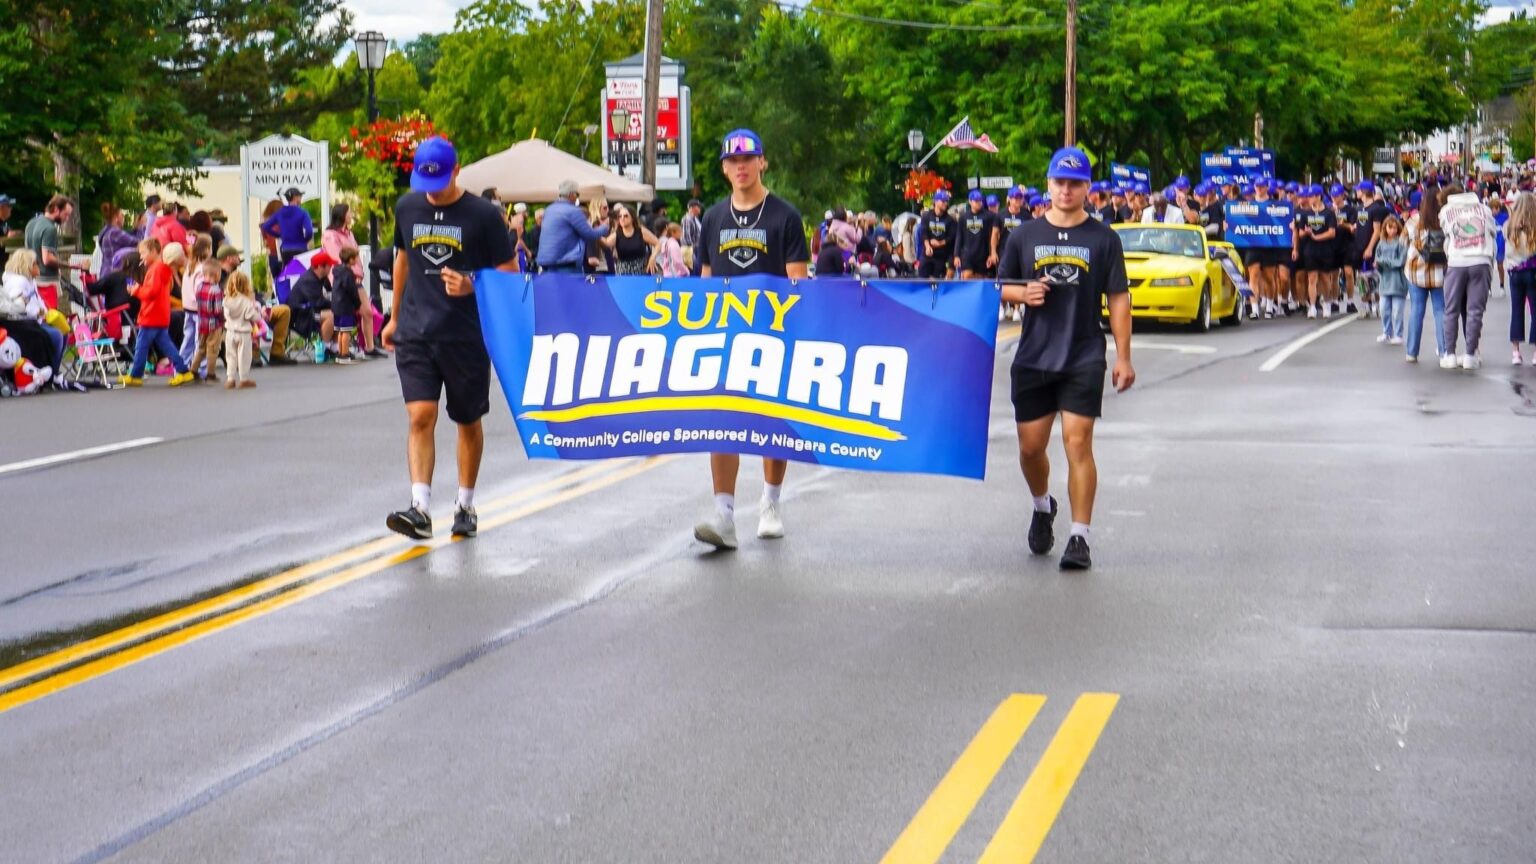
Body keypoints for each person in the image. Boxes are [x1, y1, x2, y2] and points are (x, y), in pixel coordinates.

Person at [997, 147, 1134, 571]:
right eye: (1059, 182)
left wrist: (1123, 357)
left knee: (1078, 442)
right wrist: (1023, 293)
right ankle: (1043, 506)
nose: (1066, 190)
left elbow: (1119, 298)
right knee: (1030, 448)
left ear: (1087, 188)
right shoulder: (1024, 235)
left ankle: (1080, 536)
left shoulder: (1103, 238)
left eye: (1075, 183)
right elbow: (999, 285)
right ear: (1049, 184)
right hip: (1035, 355)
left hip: (1083, 353)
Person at [383, 136, 518, 540]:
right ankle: (420, 507)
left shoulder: (483, 216)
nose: (434, 191)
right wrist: (393, 317)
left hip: (465, 334)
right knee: (420, 415)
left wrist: (473, 283)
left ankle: (464, 503)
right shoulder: (407, 206)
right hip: (416, 331)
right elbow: (403, 257)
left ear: (457, 170)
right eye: (427, 182)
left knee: (467, 420)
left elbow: (510, 271)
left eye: (441, 181)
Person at [691, 128, 809, 550]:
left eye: (748, 159)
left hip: (773, 335)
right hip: (725, 335)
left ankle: (770, 502)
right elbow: (704, 282)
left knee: (771, 422)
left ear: (762, 162)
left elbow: (797, 283)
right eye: (733, 161)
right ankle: (723, 515)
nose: (741, 167)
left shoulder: (785, 217)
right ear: (724, 168)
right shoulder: (712, 219)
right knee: (722, 423)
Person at [1438, 185, 1497, 370]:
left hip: (1456, 261)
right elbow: (1492, 233)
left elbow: (1446, 234)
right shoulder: (1485, 210)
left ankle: (1449, 354)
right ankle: (1471, 355)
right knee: (1475, 311)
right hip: (1481, 260)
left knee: (1451, 309)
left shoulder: (1446, 211)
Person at [122, 238, 193, 387]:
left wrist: (136, 290)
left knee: (141, 346)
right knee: (166, 345)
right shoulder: (160, 269)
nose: (141, 257)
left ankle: (136, 375)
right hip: (159, 315)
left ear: (154, 252)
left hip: (151, 316)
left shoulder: (155, 269)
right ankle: (183, 371)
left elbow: (151, 292)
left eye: (143, 253)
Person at [322, 203, 384, 357]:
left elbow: (354, 254)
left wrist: (359, 270)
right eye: (349, 212)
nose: (351, 215)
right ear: (342, 215)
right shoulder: (330, 235)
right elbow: (337, 258)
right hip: (342, 279)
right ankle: (336, 348)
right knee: (343, 314)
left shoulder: (349, 234)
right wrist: (352, 271)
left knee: (367, 312)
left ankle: (369, 347)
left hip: (356, 278)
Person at [1, 249, 67, 383]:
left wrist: (44, 311)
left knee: (64, 332)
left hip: (36, 320)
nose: (39, 266)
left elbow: (37, 301)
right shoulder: (18, 282)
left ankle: (54, 370)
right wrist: (39, 312)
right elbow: (18, 307)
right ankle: (52, 372)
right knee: (56, 335)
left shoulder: (30, 281)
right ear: (27, 265)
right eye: (36, 263)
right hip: (23, 323)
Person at [1404, 185, 1448, 365]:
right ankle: (1445, 351)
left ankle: (1412, 352)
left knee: (1416, 310)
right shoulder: (1444, 221)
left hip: (1416, 272)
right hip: (1439, 272)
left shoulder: (1414, 221)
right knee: (1440, 311)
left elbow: (1402, 241)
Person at [535, 180, 611, 273]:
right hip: (566, 263)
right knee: (571, 287)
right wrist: (604, 228)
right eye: (577, 194)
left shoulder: (549, 209)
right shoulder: (573, 211)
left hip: (546, 264)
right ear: (571, 194)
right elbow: (589, 234)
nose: (577, 198)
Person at [1506, 192, 1536, 366]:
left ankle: (1516, 352)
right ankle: (1535, 353)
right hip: (1532, 271)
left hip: (1515, 272)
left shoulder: (1509, 226)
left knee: (1516, 310)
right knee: (1535, 311)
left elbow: (1508, 250)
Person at [288, 251, 337, 353]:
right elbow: (318, 302)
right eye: (329, 265)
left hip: (311, 312)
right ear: (320, 267)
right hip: (301, 317)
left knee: (339, 312)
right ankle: (325, 347)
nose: (331, 267)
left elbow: (330, 292)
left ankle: (335, 346)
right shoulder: (308, 280)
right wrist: (337, 304)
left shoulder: (320, 278)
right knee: (332, 315)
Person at [25, 195, 75, 295]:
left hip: (31, 279)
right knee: (51, 311)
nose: (67, 218)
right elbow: (47, 259)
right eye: (66, 214)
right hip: (47, 281)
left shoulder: (31, 223)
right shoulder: (50, 229)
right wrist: (71, 265)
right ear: (56, 209)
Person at [222, 271, 262, 389]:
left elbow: (225, 315)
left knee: (230, 356)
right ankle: (243, 378)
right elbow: (253, 317)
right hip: (243, 332)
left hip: (230, 332)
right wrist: (258, 314)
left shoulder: (226, 300)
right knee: (244, 356)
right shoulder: (246, 301)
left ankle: (230, 378)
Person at [1372, 215, 1408, 346]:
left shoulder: (1401, 243)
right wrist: (1380, 263)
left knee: (1397, 310)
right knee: (1384, 309)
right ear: (1385, 228)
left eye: (1394, 228)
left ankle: (1398, 334)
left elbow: (1400, 262)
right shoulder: (1381, 243)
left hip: (1398, 281)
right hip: (1385, 281)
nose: (1392, 230)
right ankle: (1387, 332)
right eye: (1389, 227)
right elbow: (1377, 259)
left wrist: (1383, 262)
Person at [189, 259, 225, 382]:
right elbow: (218, 310)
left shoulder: (199, 287)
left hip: (202, 323)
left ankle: (193, 370)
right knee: (213, 349)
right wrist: (223, 321)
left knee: (201, 348)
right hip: (214, 324)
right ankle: (210, 374)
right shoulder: (217, 290)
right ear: (217, 275)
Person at [260, 188, 315, 267]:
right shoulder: (303, 212)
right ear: (295, 197)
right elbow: (309, 231)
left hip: (286, 249)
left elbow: (265, 226)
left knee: (288, 273)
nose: (301, 198)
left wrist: (278, 235)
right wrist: (305, 240)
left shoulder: (280, 212)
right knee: (301, 274)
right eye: (300, 196)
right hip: (301, 248)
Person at [953, 189, 999, 279]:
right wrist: (956, 255)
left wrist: (991, 254)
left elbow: (993, 236)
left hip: (982, 253)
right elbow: (959, 236)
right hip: (967, 254)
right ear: (970, 201)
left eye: (980, 200)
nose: (979, 203)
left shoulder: (989, 216)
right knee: (967, 276)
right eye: (976, 201)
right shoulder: (963, 217)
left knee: (979, 278)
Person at [603, 204, 658, 275]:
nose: (622, 218)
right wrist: (595, 233)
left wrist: (652, 257)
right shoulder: (617, 234)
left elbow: (658, 243)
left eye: (626, 216)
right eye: (620, 216)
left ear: (632, 218)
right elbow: (606, 244)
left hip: (641, 271)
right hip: (623, 273)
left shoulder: (640, 231)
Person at [331, 246, 364, 365]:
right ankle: (345, 355)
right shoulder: (348, 273)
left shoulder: (337, 271)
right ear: (350, 259)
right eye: (355, 257)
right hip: (345, 305)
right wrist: (357, 303)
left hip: (336, 305)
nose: (356, 260)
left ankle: (340, 353)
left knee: (340, 331)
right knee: (346, 331)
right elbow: (351, 290)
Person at [95, 203, 142, 278]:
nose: (124, 218)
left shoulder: (105, 231)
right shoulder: (115, 233)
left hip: (106, 272)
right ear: (116, 218)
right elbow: (140, 243)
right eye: (122, 216)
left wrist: (135, 229)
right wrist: (141, 227)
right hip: (115, 273)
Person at [917, 190, 956, 279]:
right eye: (943, 201)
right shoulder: (927, 216)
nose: (945, 203)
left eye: (946, 201)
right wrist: (927, 246)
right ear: (936, 201)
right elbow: (924, 232)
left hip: (942, 255)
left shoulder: (950, 220)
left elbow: (952, 238)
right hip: (928, 253)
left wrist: (940, 243)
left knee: (938, 280)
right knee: (923, 278)